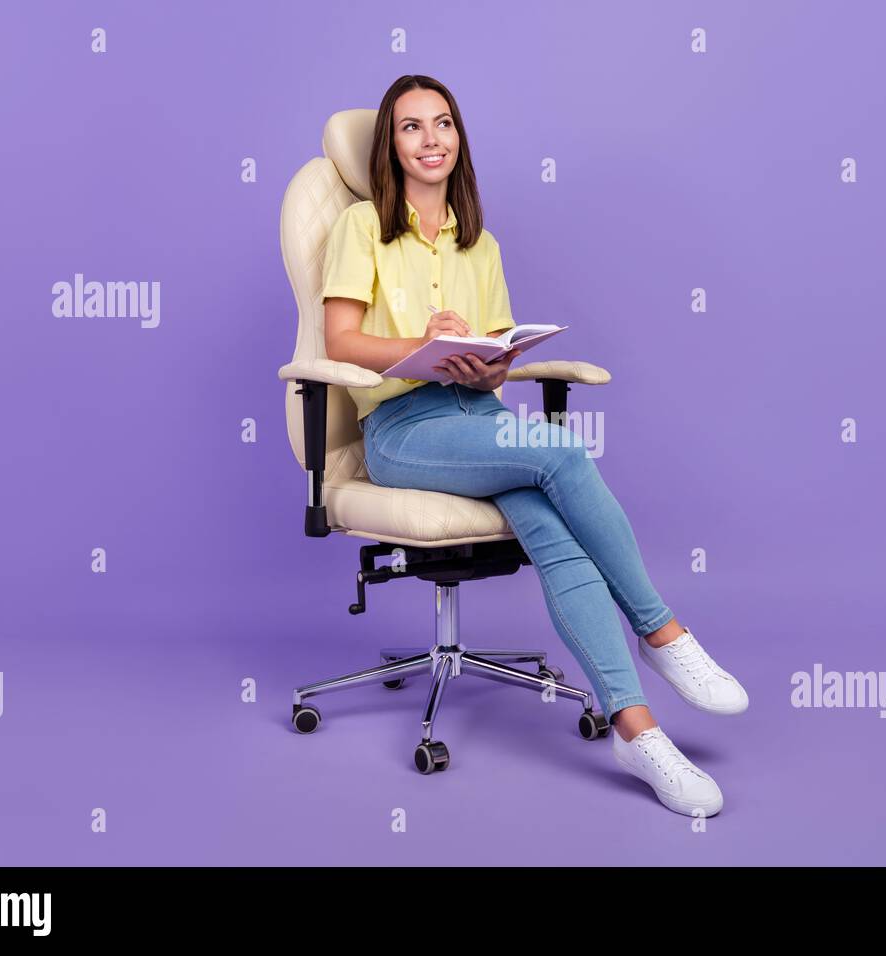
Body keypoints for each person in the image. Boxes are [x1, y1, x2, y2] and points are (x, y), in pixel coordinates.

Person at [320, 75, 748, 816]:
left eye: (444, 123)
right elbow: (340, 340)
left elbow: (492, 371)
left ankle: (636, 730)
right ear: (390, 145)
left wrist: (490, 361)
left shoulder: (479, 242)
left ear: (459, 138)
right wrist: (421, 342)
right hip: (403, 429)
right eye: (412, 127)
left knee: (550, 526)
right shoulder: (362, 227)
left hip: (474, 422)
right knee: (561, 452)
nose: (432, 140)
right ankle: (661, 630)